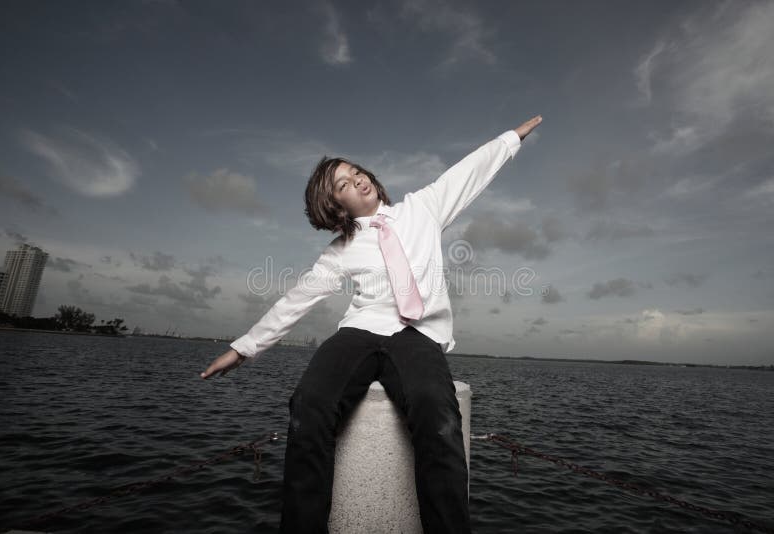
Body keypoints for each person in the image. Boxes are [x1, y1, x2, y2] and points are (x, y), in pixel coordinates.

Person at [201, 114, 543, 533]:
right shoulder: (340, 250)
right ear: (335, 205)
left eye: (356, 172)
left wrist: (511, 139)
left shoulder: (422, 208)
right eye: (343, 184)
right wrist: (243, 348)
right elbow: (297, 299)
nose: (357, 180)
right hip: (359, 332)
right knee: (309, 406)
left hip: (417, 334)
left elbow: (468, 171)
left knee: (437, 412)